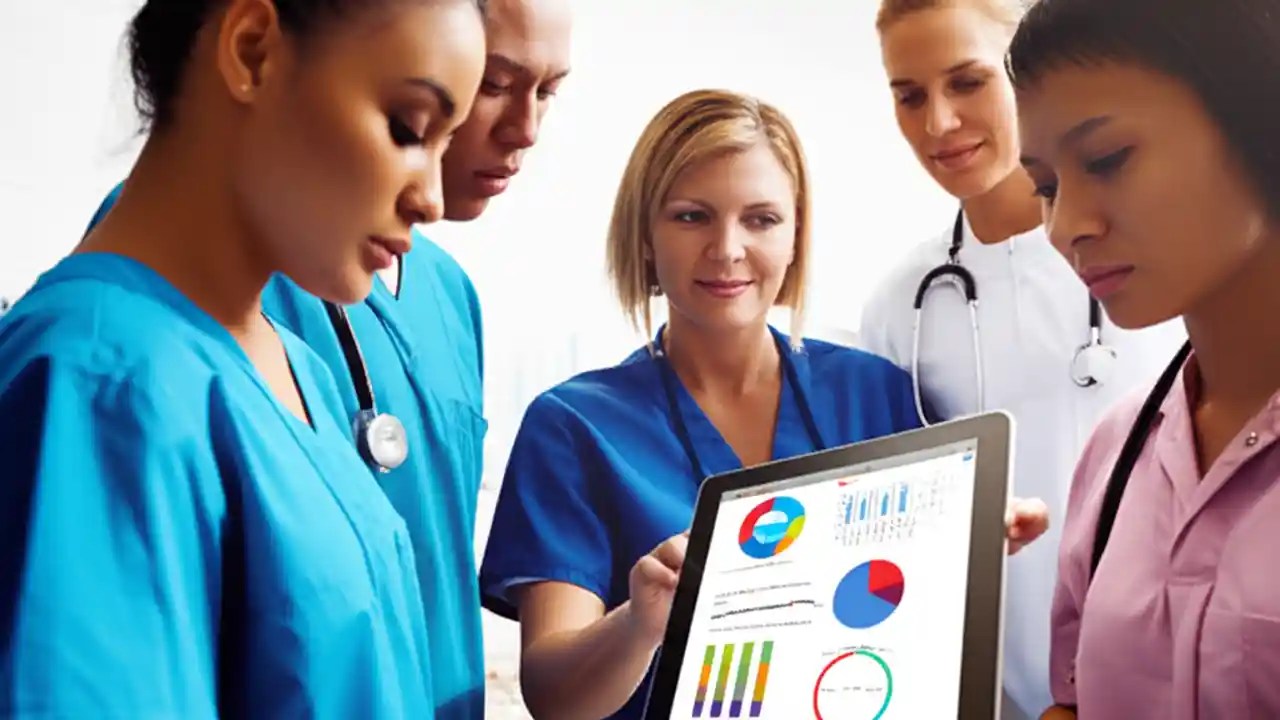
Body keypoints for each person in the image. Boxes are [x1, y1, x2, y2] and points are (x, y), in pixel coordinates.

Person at [477, 88, 1050, 720]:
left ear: (796, 236)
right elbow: (554, 699)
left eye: (761, 219)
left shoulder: (877, 396)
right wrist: (639, 623)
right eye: (692, 216)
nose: (727, 249)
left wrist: (972, 538)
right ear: (644, 235)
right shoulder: (574, 426)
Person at [79, 1, 573, 717]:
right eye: (412, 125)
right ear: (253, 52)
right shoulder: (128, 344)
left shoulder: (413, 308)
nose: (429, 197)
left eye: (550, 91)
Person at [859, 1, 1187, 716]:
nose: (938, 123)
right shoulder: (896, 310)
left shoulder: (1155, 256)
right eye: (908, 95)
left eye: (968, 81)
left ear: (1029, 73)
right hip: (998, 693)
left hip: (1171, 679)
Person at [1008, 0, 1280, 717]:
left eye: (1107, 160)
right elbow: (1073, 699)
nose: (1065, 227)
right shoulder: (1119, 449)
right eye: (1046, 187)